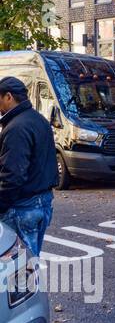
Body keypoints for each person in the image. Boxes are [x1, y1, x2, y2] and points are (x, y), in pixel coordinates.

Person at [0, 76, 58, 257]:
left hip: (23, 207)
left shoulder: (16, 127)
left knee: (17, 273)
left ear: (8, 96)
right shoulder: (39, 120)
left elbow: (13, 175)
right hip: (42, 202)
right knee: (28, 269)